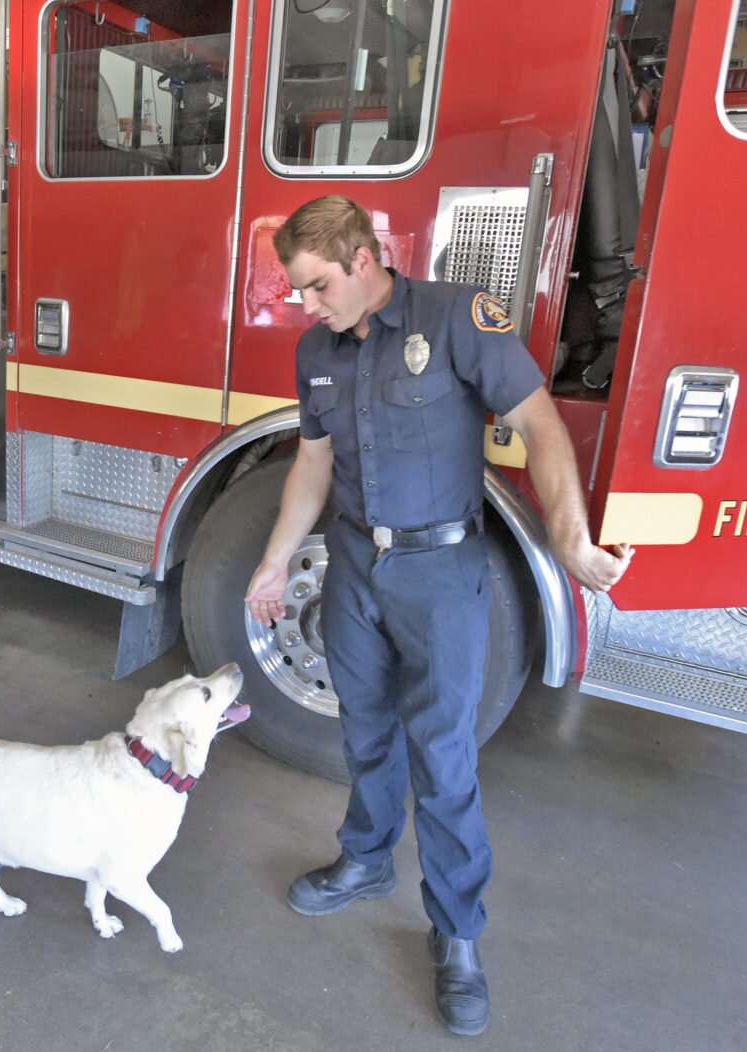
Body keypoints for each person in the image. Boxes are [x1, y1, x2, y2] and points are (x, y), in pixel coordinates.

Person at [244, 195, 631, 1037]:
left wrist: (570, 538)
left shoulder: (455, 318)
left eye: (315, 286)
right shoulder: (317, 350)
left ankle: (457, 934)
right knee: (365, 731)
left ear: (362, 259)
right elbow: (312, 463)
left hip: (441, 571)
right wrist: (277, 558)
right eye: (298, 291)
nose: (306, 306)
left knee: (444, 756)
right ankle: (366, 859)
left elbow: (538, 421)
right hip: (352, 565)